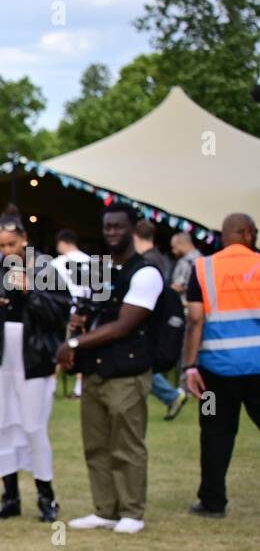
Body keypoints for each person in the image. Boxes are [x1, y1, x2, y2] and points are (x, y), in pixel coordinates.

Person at [56, 204, 163, 534]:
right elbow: (91, 314)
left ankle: (132, 511)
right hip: (95, 373)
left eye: (119, 227)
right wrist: (78, 325)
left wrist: (74, 345)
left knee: (127, 445)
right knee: (96, 445)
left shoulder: (146, 272)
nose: (112, 233)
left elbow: (123, 326)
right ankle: (105, 509)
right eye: (108, 228)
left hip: (126, 373)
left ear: (132, 229)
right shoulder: (99, 272)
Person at [0, 217, 70, 522]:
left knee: (34, 425)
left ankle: (46, 496)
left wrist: (30, 291)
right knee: (0, 422)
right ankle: (10, 496)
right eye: (0, 245)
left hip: (33, 356)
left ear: (24, 239)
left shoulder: (45, 269)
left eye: (11, 244)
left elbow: (59, 313)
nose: (6, 250)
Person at [181, 212, 260, 517]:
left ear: (224, 235)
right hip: (258, 366)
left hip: (215, 372)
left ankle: (213, 501)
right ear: (249, 233)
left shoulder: (203, 268)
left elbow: (196, 319)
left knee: (215, 432)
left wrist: (190, 366)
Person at [133, 220, 188, 419]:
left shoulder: (146, 261)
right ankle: (171, 397)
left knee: (143, 366)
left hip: (149, 321)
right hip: (158, 320)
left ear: (134, 236)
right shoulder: (160, 257)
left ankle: (171, 396)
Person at [48, 229, 91, 401]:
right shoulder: (89, 261)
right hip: (85, 311)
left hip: (63, 310)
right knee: (82, 347)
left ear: (62, 243)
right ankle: (80, 388)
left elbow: (50, 289)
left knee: (59, 347)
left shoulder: (57, 263)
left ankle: (50, 386)